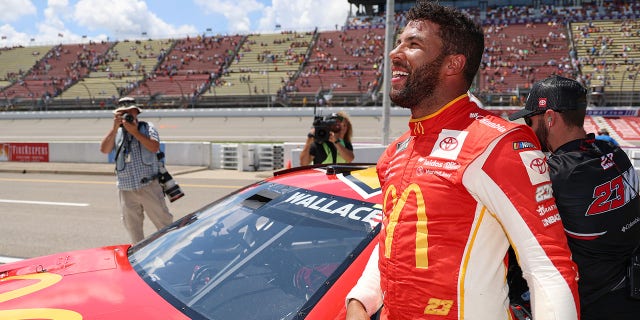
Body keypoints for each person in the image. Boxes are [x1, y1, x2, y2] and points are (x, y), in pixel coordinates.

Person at [345, 2, 580, 319]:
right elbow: (396, 239)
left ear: (453, 64)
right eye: (398, 42)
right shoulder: (397, 150)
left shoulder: (498, 143)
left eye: (413, 44)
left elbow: (548, 268)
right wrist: (360, 300)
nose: (394, 53)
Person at [509, 75, 640, 319]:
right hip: (630, 289)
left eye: (530, 120)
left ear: (549, 118)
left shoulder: (554, 175)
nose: (528, 128)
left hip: (592, 304)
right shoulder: (616, 154)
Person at [100, 97, 173, 243]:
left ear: (136, 112)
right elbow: (104, 149)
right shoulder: (116, 133)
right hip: (126, 189)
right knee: (133, 229)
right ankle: (139, 257)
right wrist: (114, 128)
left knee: (164, 225)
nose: (126, 116)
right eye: (122, 113)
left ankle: (172, 252)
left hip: (149, 186)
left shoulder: (147, 128)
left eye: (129, 112)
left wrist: (134, 132)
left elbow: (154, 147)